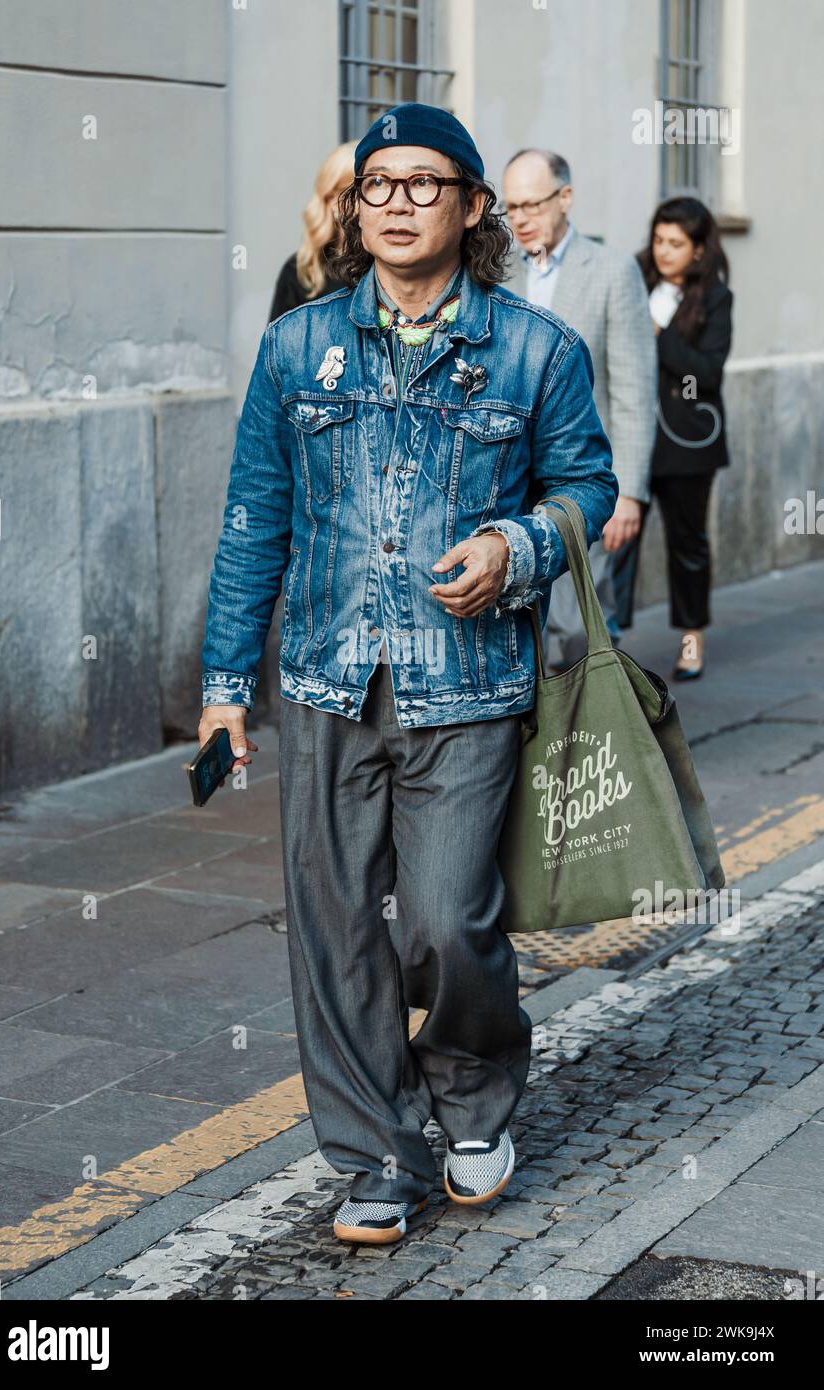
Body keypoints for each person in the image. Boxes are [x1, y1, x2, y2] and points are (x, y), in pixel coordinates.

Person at [199, 102, 617, 1246]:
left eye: (422, 183)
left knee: (444, 921)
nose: (393, 202)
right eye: (375, 185)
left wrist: (513, 548)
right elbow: (254, 519)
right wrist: (225, 681)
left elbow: (586, 489)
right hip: (328, 679)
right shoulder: (299, 347)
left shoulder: (535, 351)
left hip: (468, 682)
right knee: (335, 930)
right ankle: (377, 1151)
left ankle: (473, 1094)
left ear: (473, 207)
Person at [502, 149, 656, 669]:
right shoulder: (496, 272)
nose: (520, 218)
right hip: (510, 482)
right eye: (511, 207)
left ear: (565, 198)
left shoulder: (613, 272)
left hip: (583, 481)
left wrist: (630, 493)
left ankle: (596, 738)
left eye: (532, 204)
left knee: (579, 630)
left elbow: (634, 387)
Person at [635, 197, 732, 679]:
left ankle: (691, 638)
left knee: (687, 543)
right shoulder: (635, 279)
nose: (663, 251)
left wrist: (659, 335)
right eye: (658, 240)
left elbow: (706, 374)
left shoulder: (713, 297)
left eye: (676, 243)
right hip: (633, 435)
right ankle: (603, 639)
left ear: (697, 250)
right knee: (616, 539)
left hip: (688, 443)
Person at [267, 141, 356, 322]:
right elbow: (278, 347)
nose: (363, 201)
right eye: (352, 190)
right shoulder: (301, 270)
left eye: (373, 187)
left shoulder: (389, 267)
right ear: (331, 199)